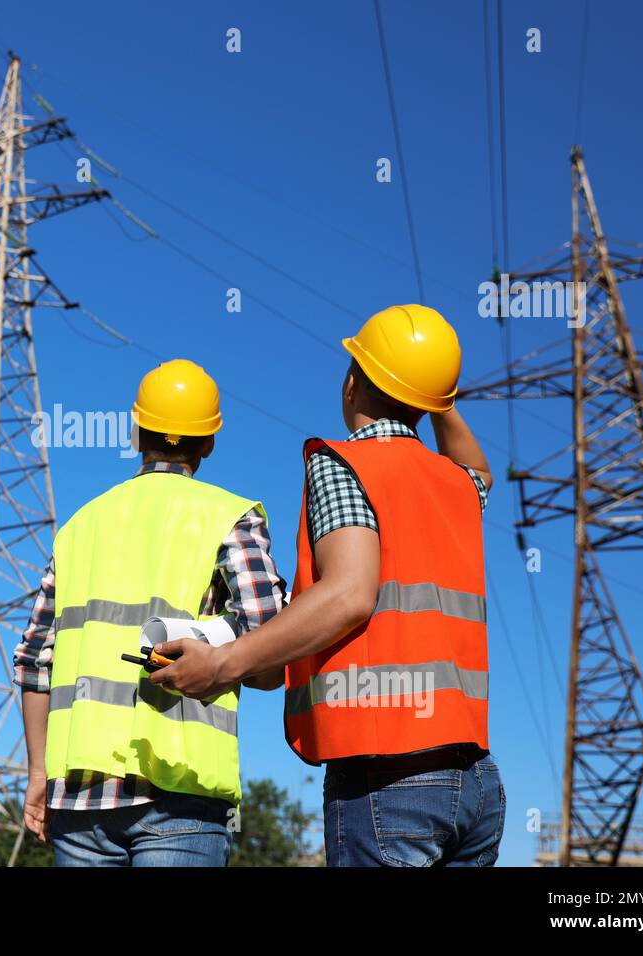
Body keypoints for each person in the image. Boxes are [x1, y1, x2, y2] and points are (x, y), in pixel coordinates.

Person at [152, 305, 505, 867]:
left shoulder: (341, 463)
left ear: (352, 383)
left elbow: (349, 594)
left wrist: (223, 664)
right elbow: (480, 469)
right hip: (476, 786)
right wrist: (437, 394)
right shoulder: (459, 485)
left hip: (387, 778)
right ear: (429, 402)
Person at [14, 359, 287, 866]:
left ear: (136, 429)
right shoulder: (229, 517)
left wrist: (37, 775)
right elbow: (272, 653)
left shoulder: (79, 527)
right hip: (181, 789)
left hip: (79, 797)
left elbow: (34, 661)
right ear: (209, 442)